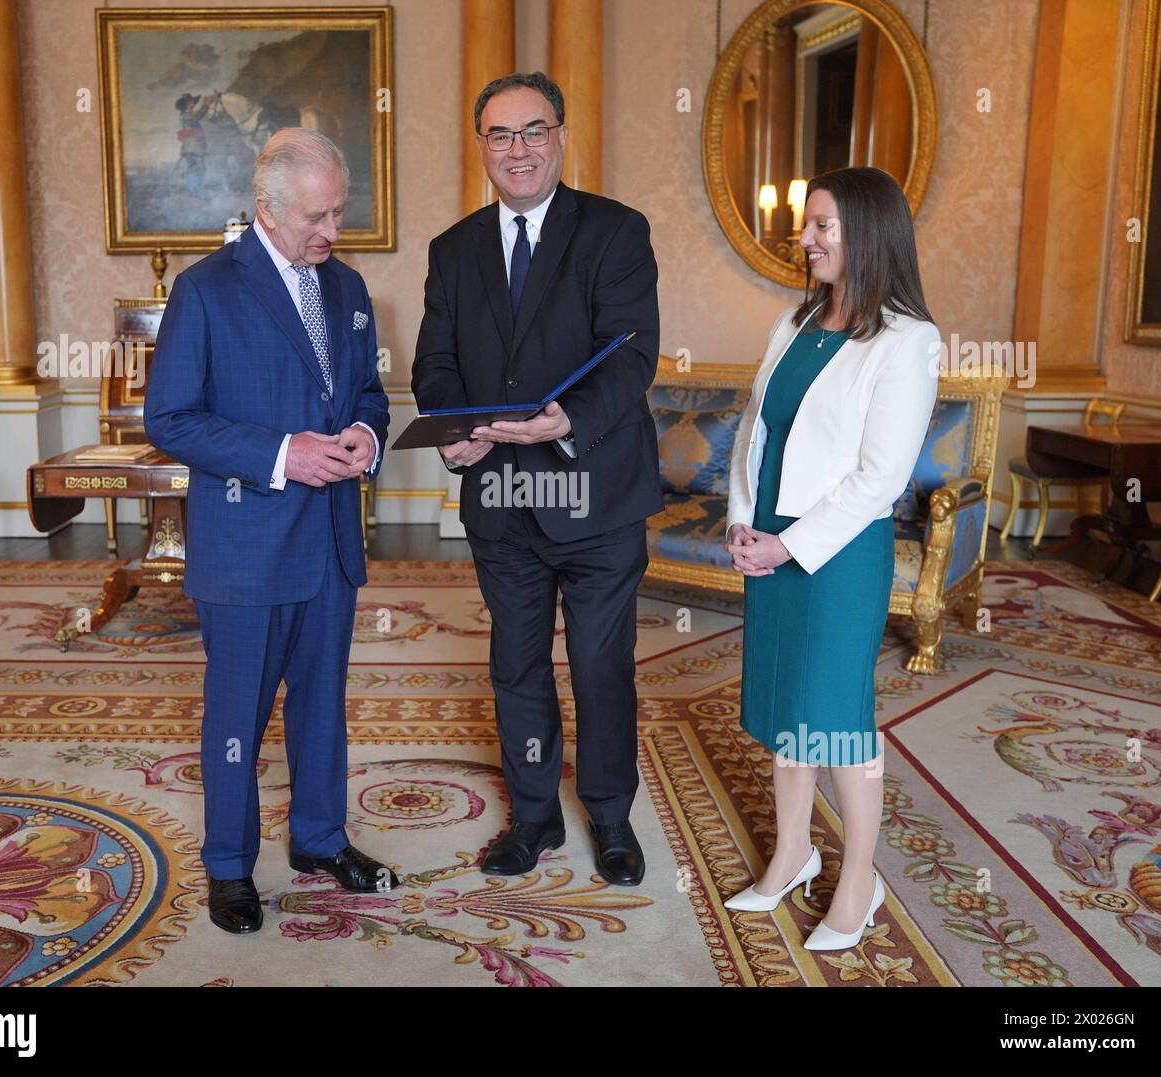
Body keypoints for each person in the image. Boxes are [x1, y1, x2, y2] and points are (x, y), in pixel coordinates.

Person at [411, 72, 663, 885]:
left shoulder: (617, 232)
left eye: (533, 131)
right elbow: (435, 364)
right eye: (499, 135)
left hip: (596, 491)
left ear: (560, 137)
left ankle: (613, 818)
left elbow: (631, 356)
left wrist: (568, 420)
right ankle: (535, 818)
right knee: (515, 666)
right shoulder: (452, 250)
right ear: (480, 146)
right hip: (502, 498)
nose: (517, 149)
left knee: (599, 664)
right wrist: (453, 428)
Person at [145, 128, 395, 935]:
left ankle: (320, 839)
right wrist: (282, 452)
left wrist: (365, 432)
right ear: (266, 208)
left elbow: (368, 392)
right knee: (237, 718)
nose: (332, 231)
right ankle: (228, 865)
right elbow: (170, 417)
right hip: (248, 550)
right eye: (316, 217)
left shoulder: (350, 287)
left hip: (330, 542)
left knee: (323, 707)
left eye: (338, 212)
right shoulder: (207, 289)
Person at [721, 166, 940, 950]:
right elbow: (758, 431)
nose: (807, 239)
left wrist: (791, 541)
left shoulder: (909, 342)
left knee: (838, 719)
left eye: (823, 227)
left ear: (868, 236)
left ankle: (859, 877)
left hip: (839, 552)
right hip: (773, 537)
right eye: (808, 225)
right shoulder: (797, 322)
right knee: (787, 709)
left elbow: (880, 477)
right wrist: (746, 523)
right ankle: (791, 852)